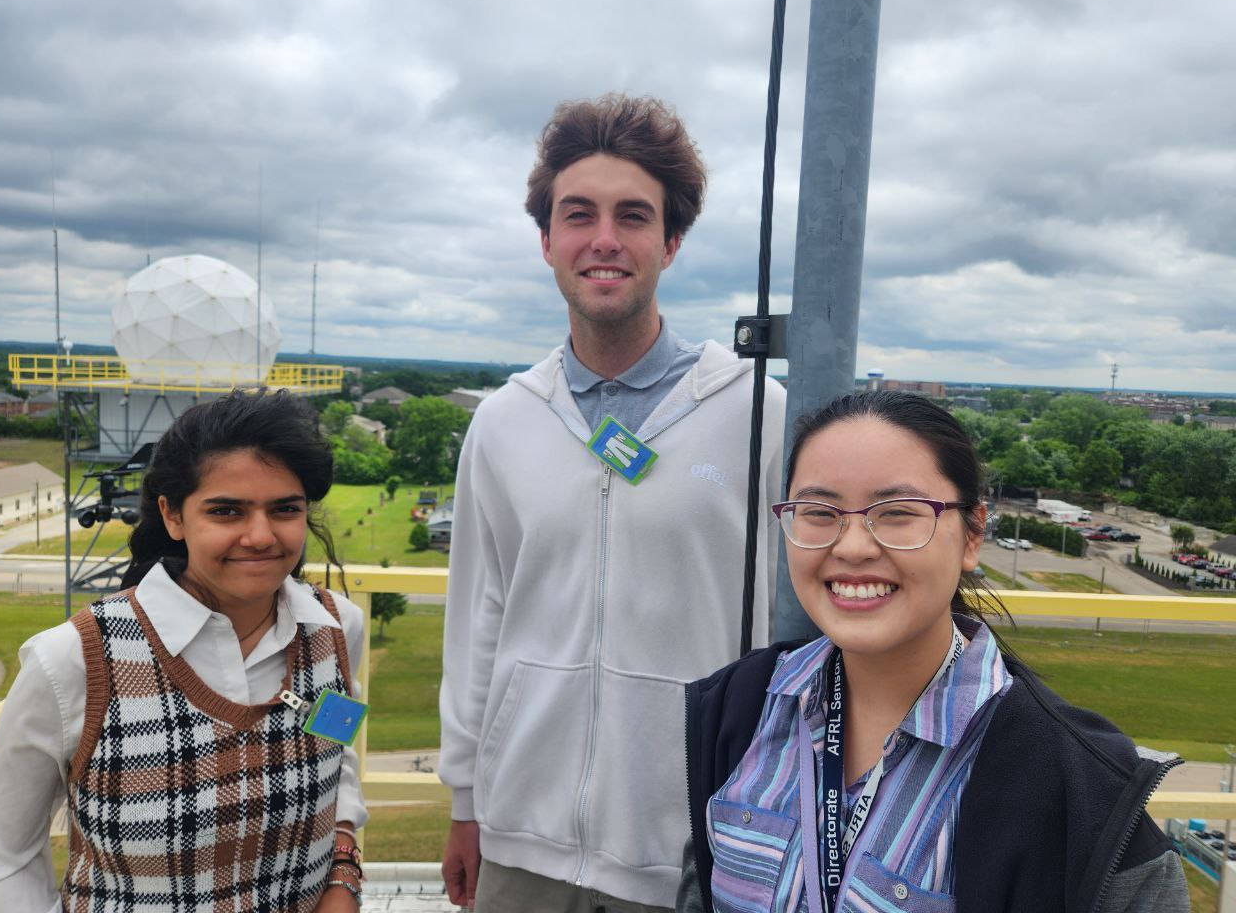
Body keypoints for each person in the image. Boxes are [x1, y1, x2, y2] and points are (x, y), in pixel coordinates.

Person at [439, 93, 786, 912]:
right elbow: (478, 617)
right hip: (522, 839)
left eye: (633, 216)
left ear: (670, 243)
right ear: (547, 241)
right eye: (578, 214)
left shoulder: (756, 413)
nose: (604, 239)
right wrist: (465, 802)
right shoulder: (504, 421)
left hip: (697, 846)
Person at [677, 390, 1188, 913]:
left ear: (972, 535)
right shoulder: (741, 709)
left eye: (898, 512)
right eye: (819, 512)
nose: (852, 547)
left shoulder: (1083, 796)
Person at [0, 390, 368, 913]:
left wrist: (341, 871)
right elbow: (1, 869)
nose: (261, 536)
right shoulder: (75, 661)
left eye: (284, 509)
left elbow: (336, 755)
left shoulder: (336, 630)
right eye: (226, 511)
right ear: (173, 516)